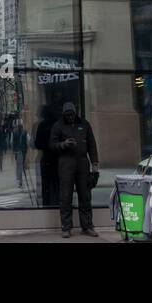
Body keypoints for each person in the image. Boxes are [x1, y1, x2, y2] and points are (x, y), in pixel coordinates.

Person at [49, 101, 99, 238]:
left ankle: (87, 226)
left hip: (83, 163)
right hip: (66, 163)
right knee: (65, 196)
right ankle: (66, 227)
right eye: (67, 115)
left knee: (85, 195)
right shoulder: (58, 126)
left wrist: (95, 164)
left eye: (71, 114)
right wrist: (63, 144)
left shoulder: (84, 124)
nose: (70, 117)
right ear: (63, 115)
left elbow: (92, 145)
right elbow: (51, 145)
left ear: (75, 112)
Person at [11, 118, 29, 188]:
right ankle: (20, 181)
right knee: (20, 166)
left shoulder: (14, 132)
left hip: (17, 152)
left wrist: (13, 151)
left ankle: (19, 181)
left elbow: (11, 142)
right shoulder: (25, 132)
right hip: (23, 151)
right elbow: (28, 141)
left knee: (18, 166)